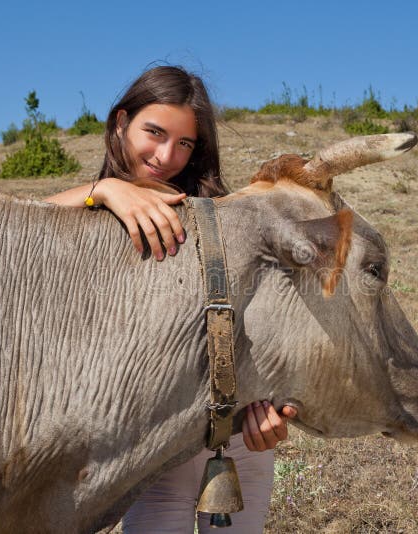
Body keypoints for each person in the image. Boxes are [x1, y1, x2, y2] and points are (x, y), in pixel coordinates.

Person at [45, 65, 298, 533]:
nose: (167, 156)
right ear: (121, 122)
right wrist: (105, 191)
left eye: (185, 143)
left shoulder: (216, 215)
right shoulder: (94, 206)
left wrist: (272, 411)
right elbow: (16, 231)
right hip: (152, 444)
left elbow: (264, 321)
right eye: (155, 132)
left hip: (236, 441)